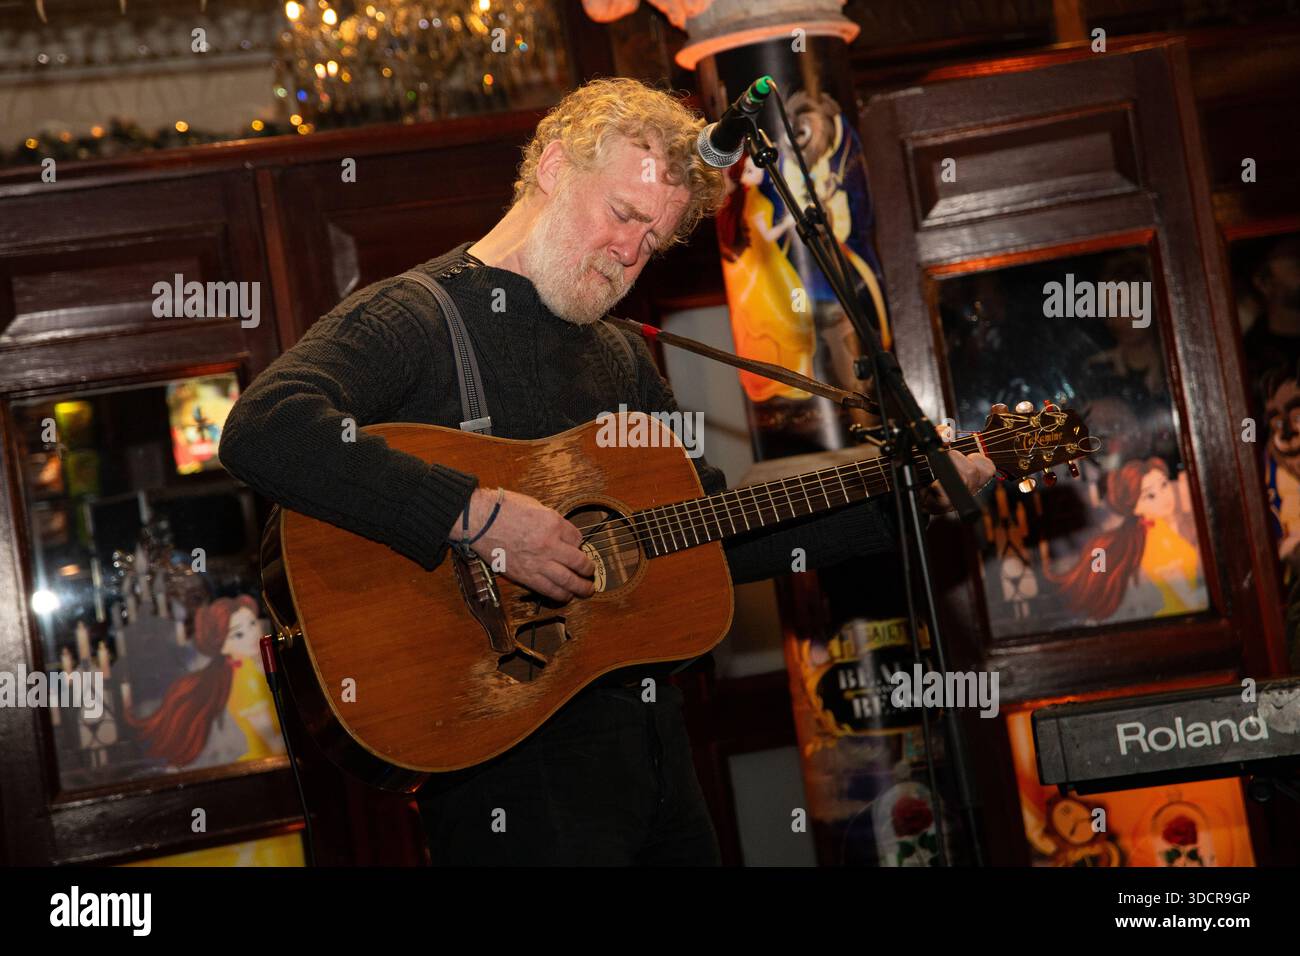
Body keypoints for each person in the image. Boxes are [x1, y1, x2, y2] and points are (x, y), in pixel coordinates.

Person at [217, 77, 995, 866]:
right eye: (624, 215)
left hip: (656, 756)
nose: (631, 253)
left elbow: (705, 537)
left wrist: (903, 498)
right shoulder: (415, 316)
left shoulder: (621, 353)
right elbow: (263, 428)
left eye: (652, 242)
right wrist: (474, 515)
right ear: (554, 166)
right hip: (507, 777)